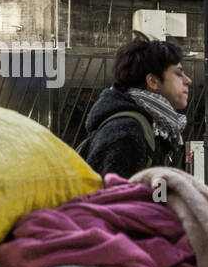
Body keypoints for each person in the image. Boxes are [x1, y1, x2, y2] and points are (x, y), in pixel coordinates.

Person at [81, 38, 191, 178]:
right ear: (152, 81)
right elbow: (113, 196)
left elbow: (156, 193)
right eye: (178, 73)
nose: (188, 80)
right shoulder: (126, 133)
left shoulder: (158, 130)